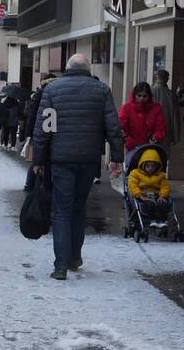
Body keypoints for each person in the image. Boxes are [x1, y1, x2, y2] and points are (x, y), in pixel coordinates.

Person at [32, 52, 124, 280]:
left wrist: (39, 159)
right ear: (88, 69)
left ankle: (60, 265)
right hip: (88, 158)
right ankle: (74, 257)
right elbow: (112, 124)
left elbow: (45, 127)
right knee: (79, 207)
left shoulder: (52, 90)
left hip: (61, 158)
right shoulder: (101, 90)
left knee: (62, 210)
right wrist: (117, 156)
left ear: (67, 67)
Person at [22, 72, 57, 189]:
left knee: (37, 159)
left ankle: (30, 184)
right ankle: (46, 184)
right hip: (55, 132)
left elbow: (32, 115)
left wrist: (29, 134)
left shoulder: (39, 93)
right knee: (49, 160)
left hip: (39, 131)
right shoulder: (57, 93)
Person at [126, 147, 171, 225]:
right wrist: (139, 195)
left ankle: (161, 220)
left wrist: (163, 195)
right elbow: (132, 185)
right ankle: (150, 220)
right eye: (148, 166)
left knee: (164, 204)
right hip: (142, 196)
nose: (150, 168)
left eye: (153, 166)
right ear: (143, 165)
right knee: (148, 205)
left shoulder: (161, 175)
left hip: (157, 195)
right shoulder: (135, 173)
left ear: (157, 166)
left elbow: (165, 186)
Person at [118, 82, 167, 153]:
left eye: (145, 96)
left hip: (150, 147)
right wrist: (122, 131)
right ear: (134, 95)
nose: (141, 98)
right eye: (139, 95)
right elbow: (121, 124)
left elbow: (160, 128)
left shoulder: (156, 109)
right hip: (132, 147)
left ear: (149, 96)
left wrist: (156, 137)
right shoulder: (127, 108)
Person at [151, 68, 180, 152]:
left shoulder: (149, 92)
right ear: (167, 79)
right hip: (166, 134)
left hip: (149, 133)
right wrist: (175, 137)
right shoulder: (171, 95)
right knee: (162, 160)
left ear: (157, 77)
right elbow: (175, 117)